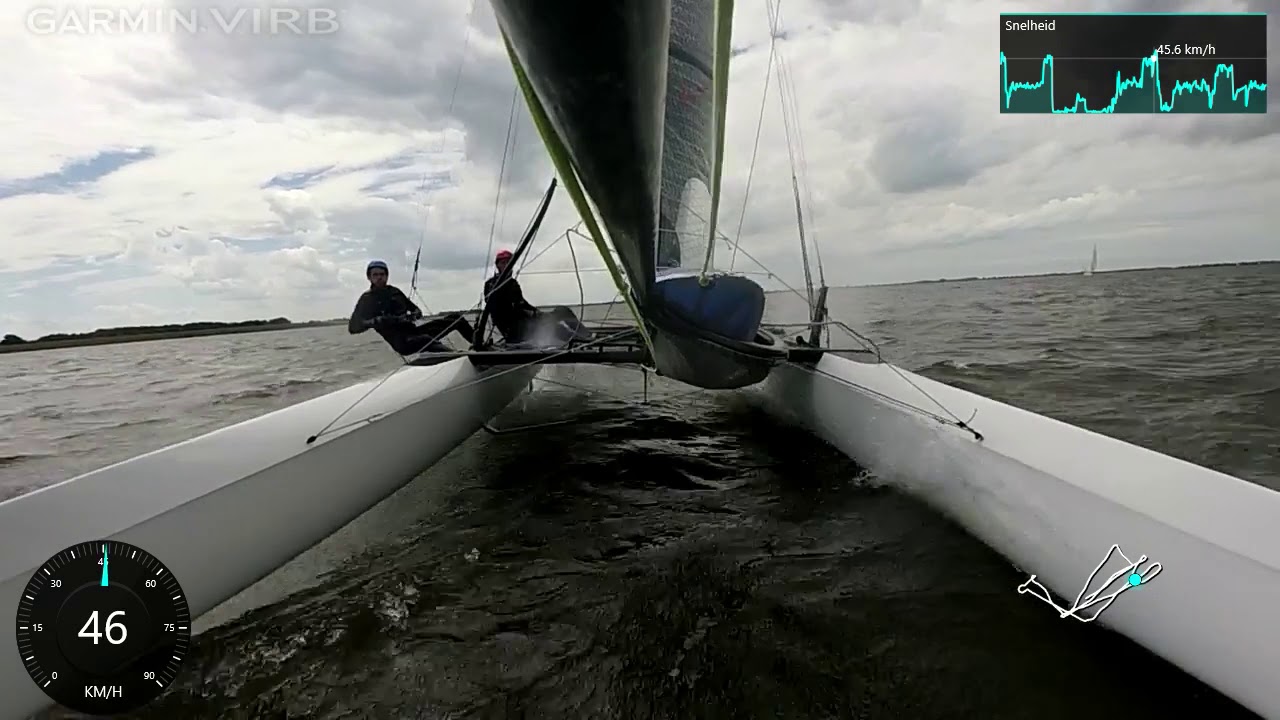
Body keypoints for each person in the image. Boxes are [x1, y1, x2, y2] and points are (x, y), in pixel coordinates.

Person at [348, 260, 476, 355]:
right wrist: (376, 321)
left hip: (415, 332)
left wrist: (414, 315)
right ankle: (458, 357)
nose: (379, 277)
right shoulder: (367, 299)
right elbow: (353, 327)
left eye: (382, 274)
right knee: (425, 339)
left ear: (387, 276)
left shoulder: (395, 292)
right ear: (369, 277)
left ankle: (480, 346)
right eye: (375, 275)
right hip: (402, 342)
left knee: (455, 319)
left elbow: (416, 310)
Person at [483, 249, 590, 345]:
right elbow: (508, 309)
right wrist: (537, 316)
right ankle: (580, 341)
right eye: (503, 263)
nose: (507, 265)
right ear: (497, 265)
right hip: (515, 331)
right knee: (553, 326)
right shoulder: (491, 285)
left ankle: (587, 336)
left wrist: (538, 312)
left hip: (527, 322)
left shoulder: (513, 283)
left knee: (562, 311)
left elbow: (523, 304)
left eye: (509, 262)